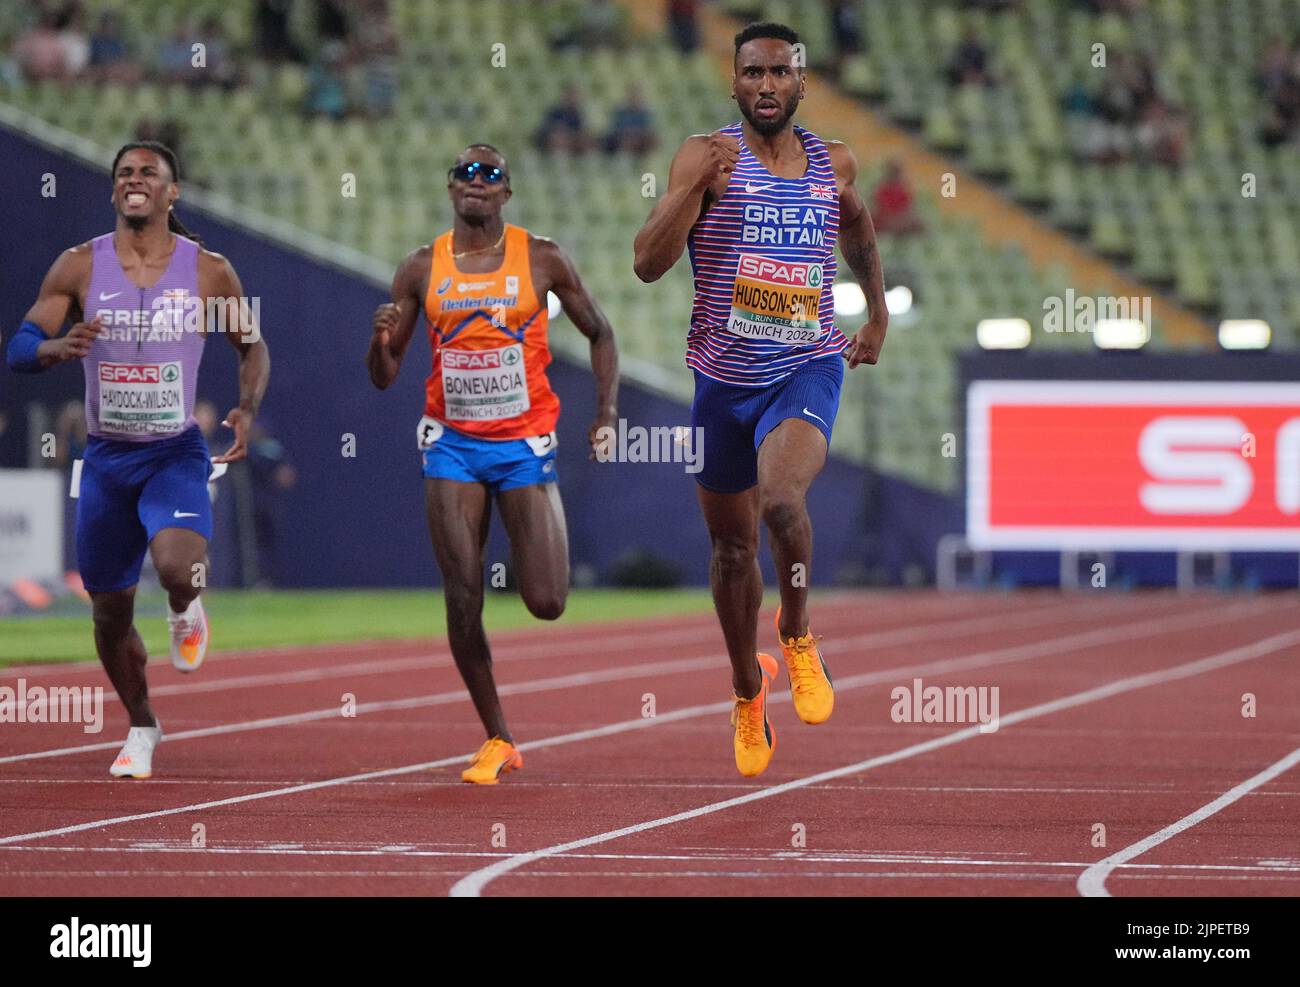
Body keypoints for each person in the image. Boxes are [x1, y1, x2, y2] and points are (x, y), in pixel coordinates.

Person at [633, 22, 888, 777]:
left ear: (802, 83)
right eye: (753, 73)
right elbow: (648, 263)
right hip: (722, 382)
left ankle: (799, 633)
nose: (767, 86)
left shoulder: (831, 161)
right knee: (731, 549)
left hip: (807, 363)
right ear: (734, 82)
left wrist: (874, 312)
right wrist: (688, 187)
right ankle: (748, 690)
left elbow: (861, 229)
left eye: (781, 73)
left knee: (781, 503)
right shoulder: (703, 155)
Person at [5, 141, 270, 779]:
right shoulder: (78, 266)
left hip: (173, 452)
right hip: (104, 460)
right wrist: (55, 347)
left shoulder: (210, 271)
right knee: (109, 611)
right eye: (124, 172)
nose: (135, 179)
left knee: (179, 567)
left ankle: (186, 608)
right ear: (114, 189)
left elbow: (253, 347)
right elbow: (19, 346)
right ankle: (143, 725)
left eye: (148, 172)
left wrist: (246, 407)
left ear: (171, 192)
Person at [366, 144, 618, 784]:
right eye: (465, 173)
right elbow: (384, 376)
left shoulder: (542, 257)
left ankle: (501, 728)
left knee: (547, 600)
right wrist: (379, 340)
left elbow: (600, 332)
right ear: (449, 188)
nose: (475, 182)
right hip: (450, 443)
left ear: (507, 192)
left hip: (524, 443)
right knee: (462, 595)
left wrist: (607, 413)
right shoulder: (420, 268)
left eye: (490, 175)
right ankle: (498, 736)